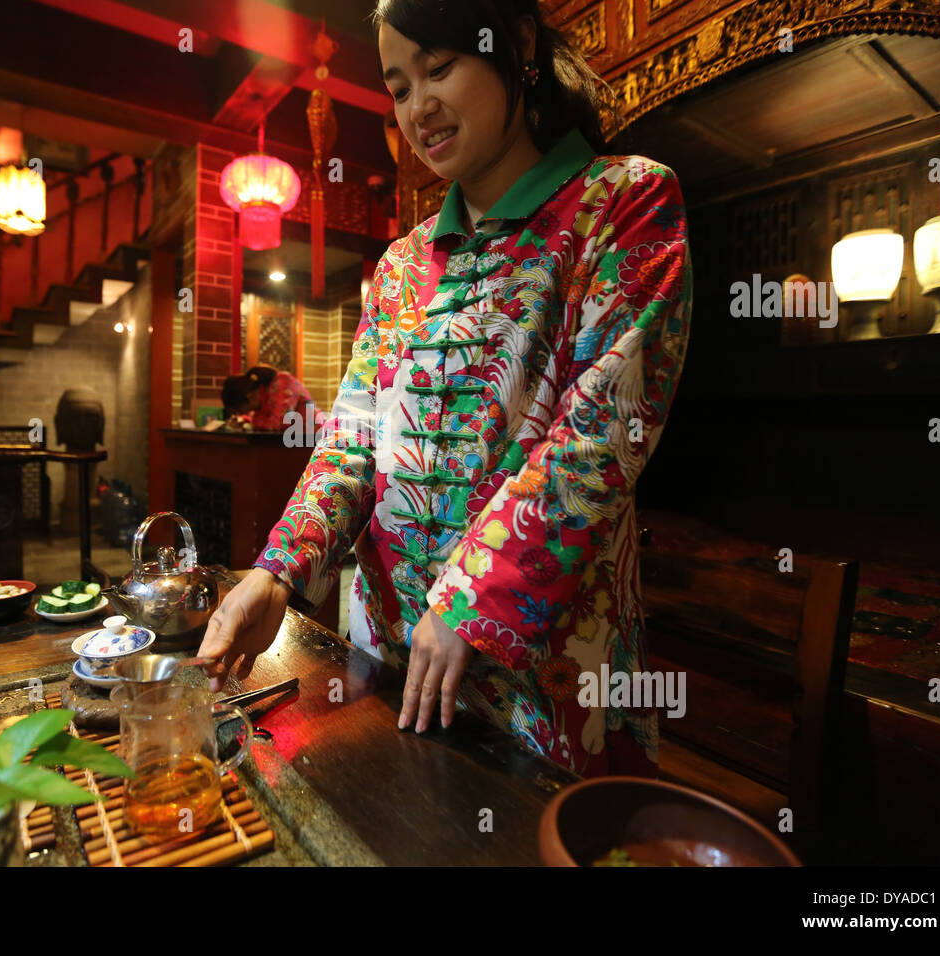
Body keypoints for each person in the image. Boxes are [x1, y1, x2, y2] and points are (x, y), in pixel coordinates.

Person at [198, 0, 692, 778]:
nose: (417, 107)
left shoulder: (622, 203)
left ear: (519, 46)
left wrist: (470, 604)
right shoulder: (400, 265)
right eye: (398, 87)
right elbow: (351, 443)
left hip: (548, 666)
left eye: (439, 68)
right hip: (391, 655)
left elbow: (599, 440)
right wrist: (277, 573)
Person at [220, 365, 316, 431]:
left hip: (314, 441)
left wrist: (252, 424)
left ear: (250, 397)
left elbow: (282, 423)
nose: (243, 414)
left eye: (240, 411)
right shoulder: (262, 399)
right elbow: (259, 420)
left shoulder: (283, 382)